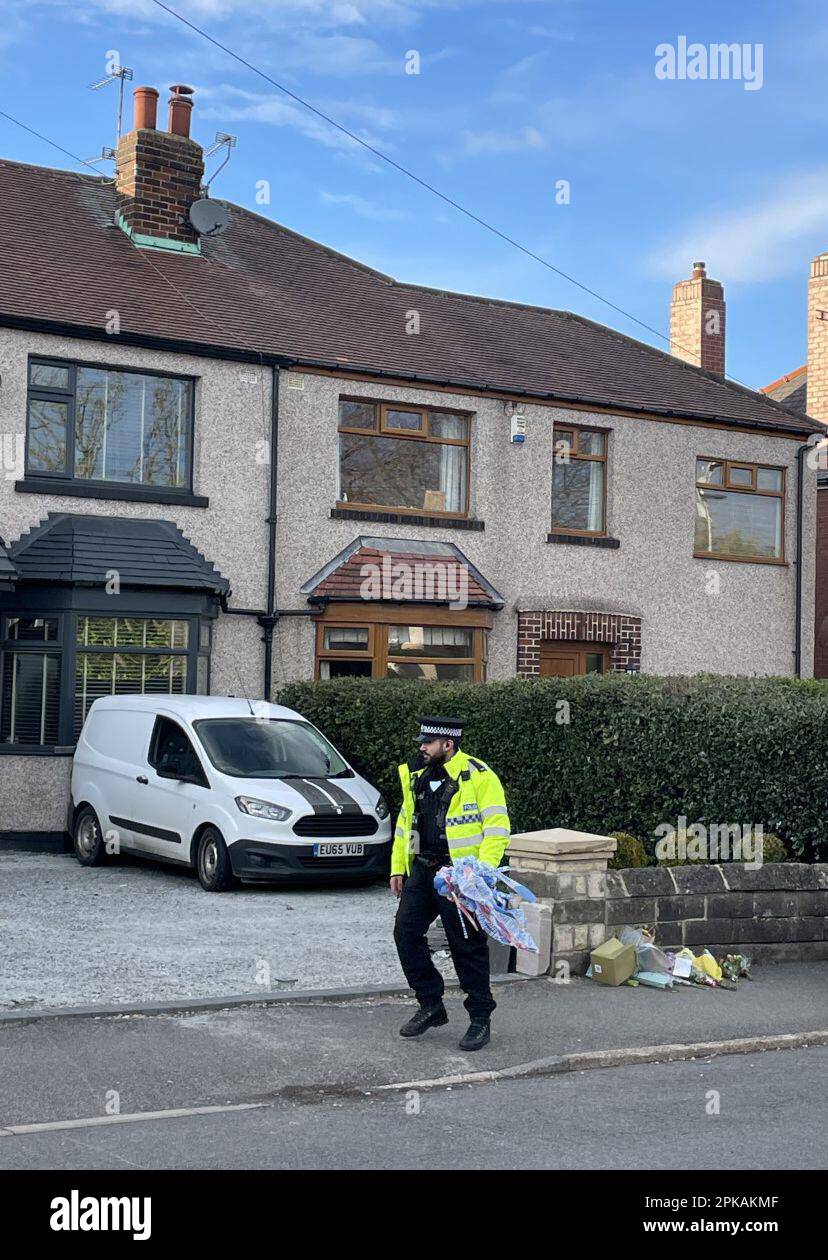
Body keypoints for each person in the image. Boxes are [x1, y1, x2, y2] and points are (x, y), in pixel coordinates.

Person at [390, 716, 511, 1052]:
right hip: (424, 870)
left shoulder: (479, 775)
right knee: (405, 932)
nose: (422, 748)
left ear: (448, 744)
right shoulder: (415, 776)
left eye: (428, 742)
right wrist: (398, 867)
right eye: (422, 742)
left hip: (461, 877)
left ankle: (480, 1019)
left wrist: (478, 873)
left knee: (467, 946)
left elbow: (498, 827)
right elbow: (405, 824)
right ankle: (431, 1004)